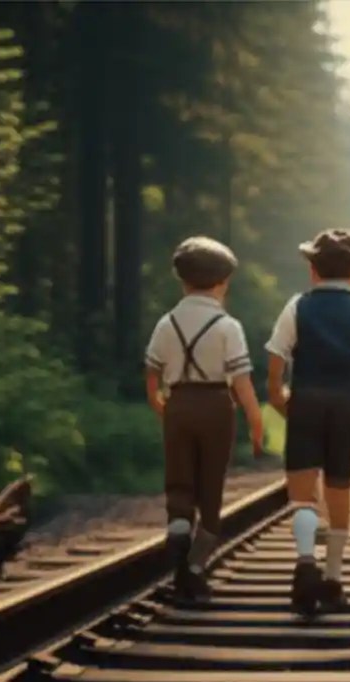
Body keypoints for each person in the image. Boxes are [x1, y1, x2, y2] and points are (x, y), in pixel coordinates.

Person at [266, 229, 350, 616]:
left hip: (306, 398)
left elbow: (277, 356)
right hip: (346, 403)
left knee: (304, 492)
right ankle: (334, 578)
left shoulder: (298, 306)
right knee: (339, 487)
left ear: (312, 270)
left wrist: (278, 396)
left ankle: (306, 561)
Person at [144, 236, 265, 600]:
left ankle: (179, 527)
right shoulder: (229, 327)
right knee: (210, 487)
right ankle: (195, 568)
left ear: (182, 281)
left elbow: (151, 373)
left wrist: (159, 404)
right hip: (215, 404)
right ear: (222, 283)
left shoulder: (166, 323)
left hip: (178, 403)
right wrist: (256, 423)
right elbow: (242, 383)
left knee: (179, 480)